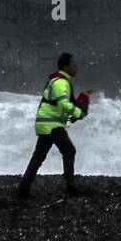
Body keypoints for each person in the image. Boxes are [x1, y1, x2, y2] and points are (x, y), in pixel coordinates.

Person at [17, 53, 88, 199]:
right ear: (65, 66)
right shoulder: (60, 82)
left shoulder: (58, 80)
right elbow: (63, 104)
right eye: (74, 65)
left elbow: (59, 105)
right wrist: (78, 112)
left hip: (45, 124)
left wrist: (74, 112)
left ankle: (23, 189)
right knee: (69, 151)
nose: (76, 68)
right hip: (51, 124)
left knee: (38, 157)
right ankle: (71, 187)